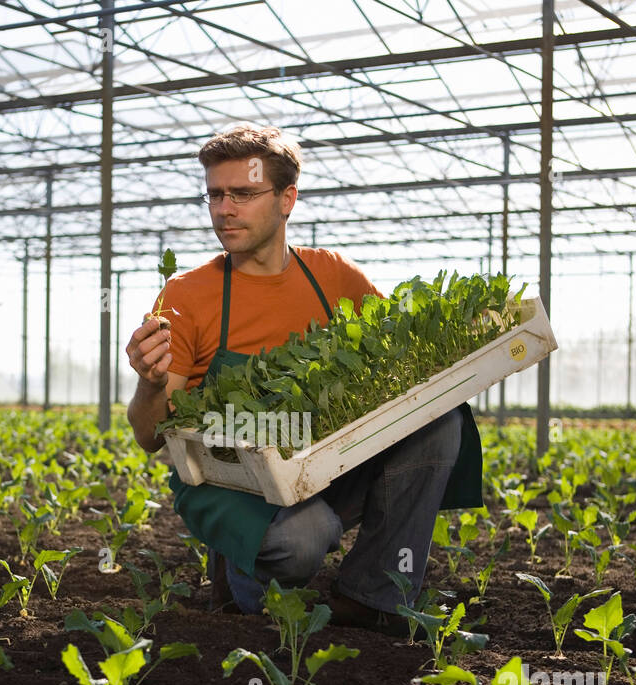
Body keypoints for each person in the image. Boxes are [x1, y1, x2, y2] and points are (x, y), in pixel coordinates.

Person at [125, 123, 484, 636]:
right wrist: (152, 384)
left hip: (322, 465)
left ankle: (371, 594)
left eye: (244, 194)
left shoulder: (335, 278)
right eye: (215, 195)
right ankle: (239, 569)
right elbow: (148, 436)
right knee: (302, 540)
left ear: (287, 198)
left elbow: (404, 366)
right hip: (234, 482)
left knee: (438, 422)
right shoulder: (187, 294)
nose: (224, 209)